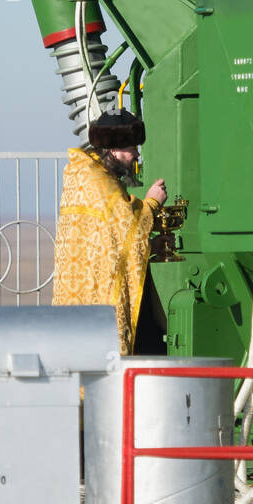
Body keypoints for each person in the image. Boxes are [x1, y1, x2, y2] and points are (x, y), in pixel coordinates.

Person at [52, 110, 167, 354]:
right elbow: (125, 220)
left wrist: (150, 248)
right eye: (131, 147)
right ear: (113, 148)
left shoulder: (83, 174)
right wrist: (153, 203)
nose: (136, 154)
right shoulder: (97, 181)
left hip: (87, 288)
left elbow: (109, 240)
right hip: (100, 293)